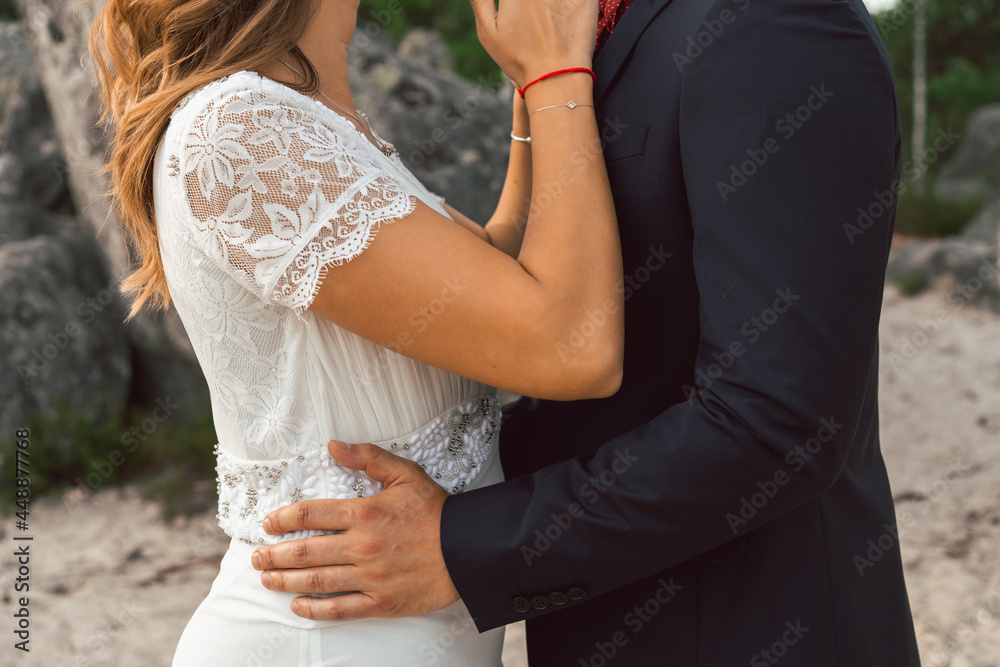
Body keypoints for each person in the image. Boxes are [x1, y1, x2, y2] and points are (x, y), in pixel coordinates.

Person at [250, 0, 923, 664]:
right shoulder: (590, 32)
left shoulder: (774, 23)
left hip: (746, 626)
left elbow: (777, 419)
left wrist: (463, 544)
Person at [89, 0, 618, 663]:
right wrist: (558, 81)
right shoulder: (243, 129)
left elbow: (486, 290)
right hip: (331, 639)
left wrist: (531, 105)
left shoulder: (302, 108)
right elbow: (574, 348)